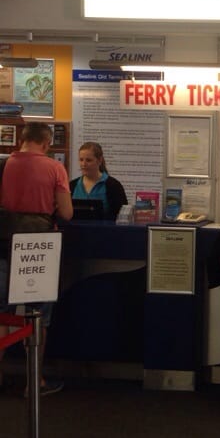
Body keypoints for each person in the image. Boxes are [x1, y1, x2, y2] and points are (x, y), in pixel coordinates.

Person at [0, 122, 74, 396]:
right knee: (37, 314)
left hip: (4, 244)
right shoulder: (54, 168)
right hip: (39, 245)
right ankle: (35, 382)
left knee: (2, 313)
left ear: (21, 139)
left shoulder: (4, 165)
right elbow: (66, 213)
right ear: (46, 143)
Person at [69, 141, 127, 220]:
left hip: (105, 231)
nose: (83, 164)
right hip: (75, 231)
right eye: (81, 160)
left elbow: (121, 217)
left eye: (88, 160)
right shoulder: (72, 185)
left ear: (99, 160)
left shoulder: (113, 186)